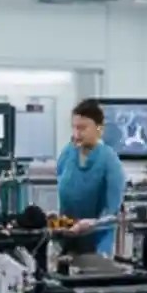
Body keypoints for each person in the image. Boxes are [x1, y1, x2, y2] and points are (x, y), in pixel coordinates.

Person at [58, 100, 127, 256]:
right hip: (68, 241)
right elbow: (63, 201)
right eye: (74, 128)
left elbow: (112, 212)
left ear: (99, 129)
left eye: (82, 128)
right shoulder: (67, 155)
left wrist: (92, 224)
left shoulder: (110, 161)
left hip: (97, 244)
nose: (77, 134)